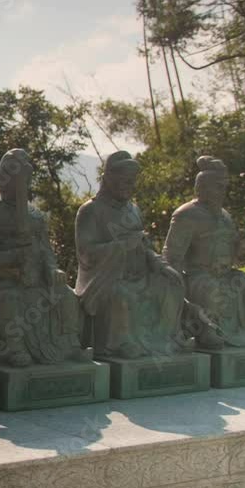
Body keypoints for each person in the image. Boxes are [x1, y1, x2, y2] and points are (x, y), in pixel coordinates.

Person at [0, 149, 90, 367]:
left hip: (35, 277)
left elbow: (46, 250)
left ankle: (70, 346)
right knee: (8, 298)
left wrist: (52, 269)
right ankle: (14, 347)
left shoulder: (34, 215)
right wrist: (10, 258)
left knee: (65, 294)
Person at [74, 151, 190, 358]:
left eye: (132, 180)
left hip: (139, 276)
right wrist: (121, 246)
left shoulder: (133, 210)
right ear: (108, 178)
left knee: (170, 285)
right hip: (106, 280)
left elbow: (144, 247)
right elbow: (86, 254)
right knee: (121, 295)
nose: (129, 184)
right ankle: (121, 342)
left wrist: (160, 264)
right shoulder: (90, 210)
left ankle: (167, 339)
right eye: (123, 179)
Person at [163, 156, 245, 349]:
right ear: (201, 187)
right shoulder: (186, 215)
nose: (222, 192)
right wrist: (177, 285)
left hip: (226, 274)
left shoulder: (225, 216)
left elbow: (236, 258)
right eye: (217, 187)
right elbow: (172, 255)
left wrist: (241, 249)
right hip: (198, 275)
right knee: (211, 290)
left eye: (223, 187)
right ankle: (208, 330)